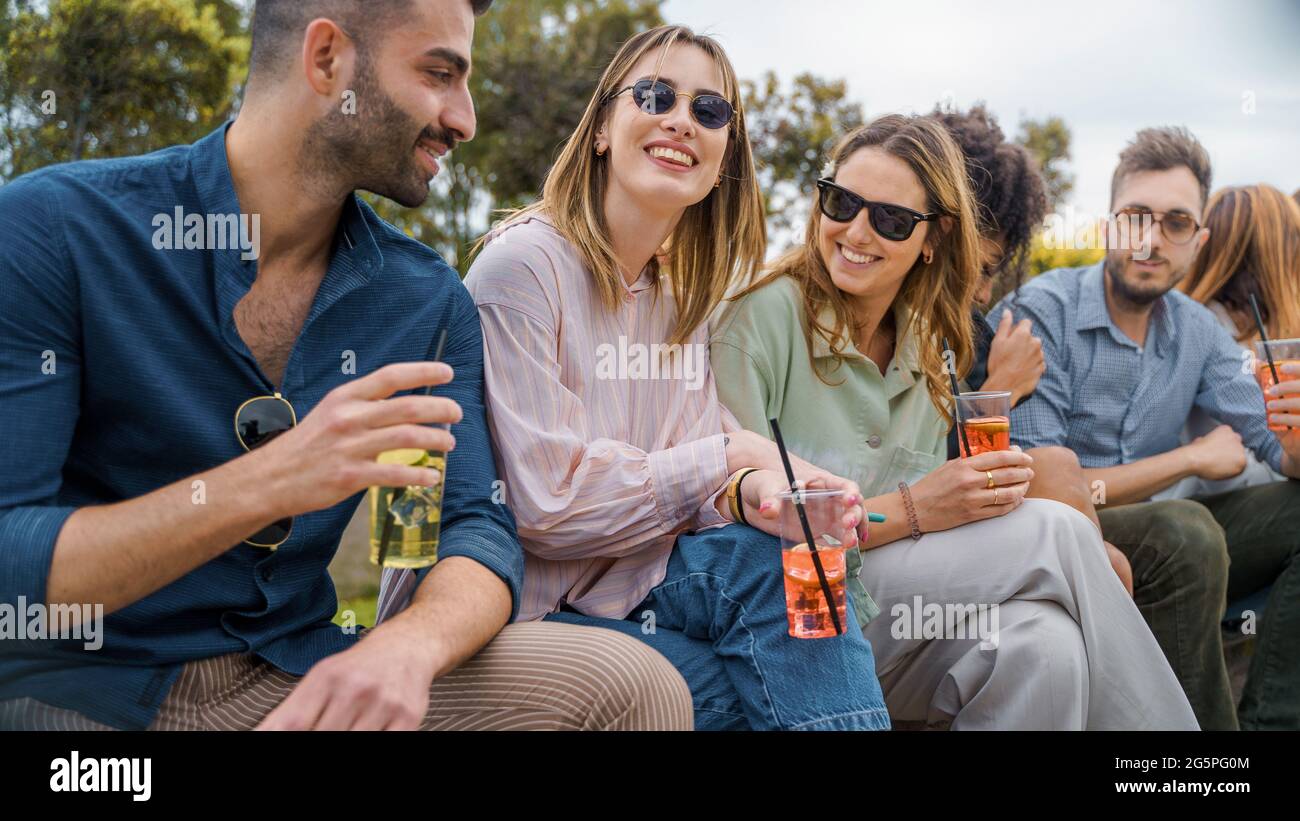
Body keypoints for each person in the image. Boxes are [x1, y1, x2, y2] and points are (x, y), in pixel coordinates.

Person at [0, 0, 694, 732]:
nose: (465, 119)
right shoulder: (55, 228)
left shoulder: (424, 298)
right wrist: (267, 479)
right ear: (327, 59)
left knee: (631, 682)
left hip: (300, 680)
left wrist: (407, 647)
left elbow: (475, 528)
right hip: (72, 698)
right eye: (439, 74)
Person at [460, 24, 891, 731]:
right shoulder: (522, 271)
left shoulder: (679, 297)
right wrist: (734, 457)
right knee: (754, 685)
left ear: (724, 154)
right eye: (656, 94)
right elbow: (548, 505)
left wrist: (762, 495)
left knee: (785, 562)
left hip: (629, 587)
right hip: (521, 611)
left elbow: (699, 475)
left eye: (709, 111)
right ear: (602, 126)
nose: (680, 120)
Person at [711, 115, 1196, 729]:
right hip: (793, 613)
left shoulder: (932, 340)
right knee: (1059, 534)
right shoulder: (760, 317)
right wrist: (913, 508)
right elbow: (738, 530)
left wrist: (949, 498)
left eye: (890, 219)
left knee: (1045, 645)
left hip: (884, 619)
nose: (856, 231)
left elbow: (940, 519)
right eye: (841, 202)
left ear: (932, 239)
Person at [994, 126, 1300, 730]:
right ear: (1108, 224)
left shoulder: (1199, 333)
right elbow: (1045, 484)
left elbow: (1278, 451)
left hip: (1159, 536)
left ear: (1197, 240)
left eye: (1175, 223)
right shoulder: (1043, 312)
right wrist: (1186, 460)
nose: (1151, 241)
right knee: (1185, 529)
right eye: (1136, 217)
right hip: (1054, 530)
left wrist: (1293, 437)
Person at [930, 104, 1131, 592]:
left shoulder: (970, 333)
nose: (983, 294)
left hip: (967, 514)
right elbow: (926, 463)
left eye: (993, 274)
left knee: (1120, 548)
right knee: (1063, 475)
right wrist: (1002, 390)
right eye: (978, 269)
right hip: (910, 524)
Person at [1163, 184, 1300, 496]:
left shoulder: (1270, 334)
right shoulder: (1206, 334)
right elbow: (1253, 464)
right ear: (1277, 253)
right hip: (1215, 506)